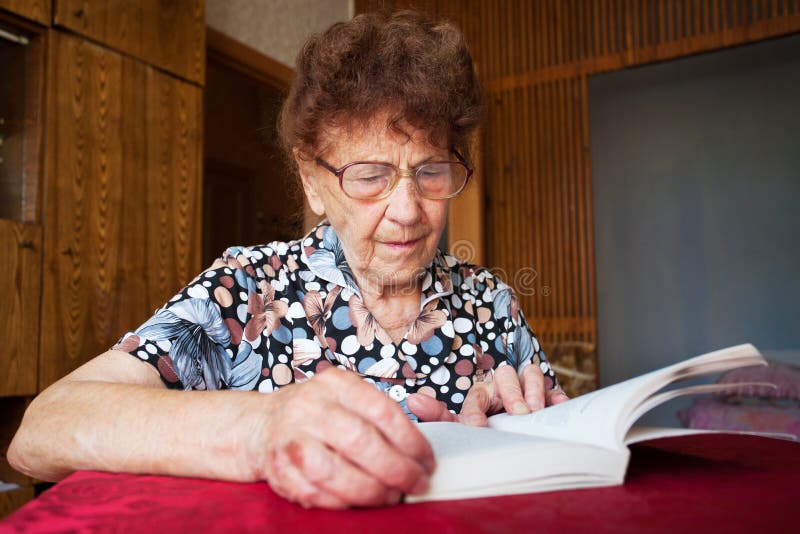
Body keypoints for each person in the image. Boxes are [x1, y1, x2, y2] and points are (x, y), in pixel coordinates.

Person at [8, 10, 567, 509]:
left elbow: (553, 451)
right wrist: (263, 426)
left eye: (431, 172)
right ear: (313, 184)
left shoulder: (489, 299)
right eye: (370, 176)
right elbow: (41, 432)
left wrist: (534, 420)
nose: (408, 211)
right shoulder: (247, 289)